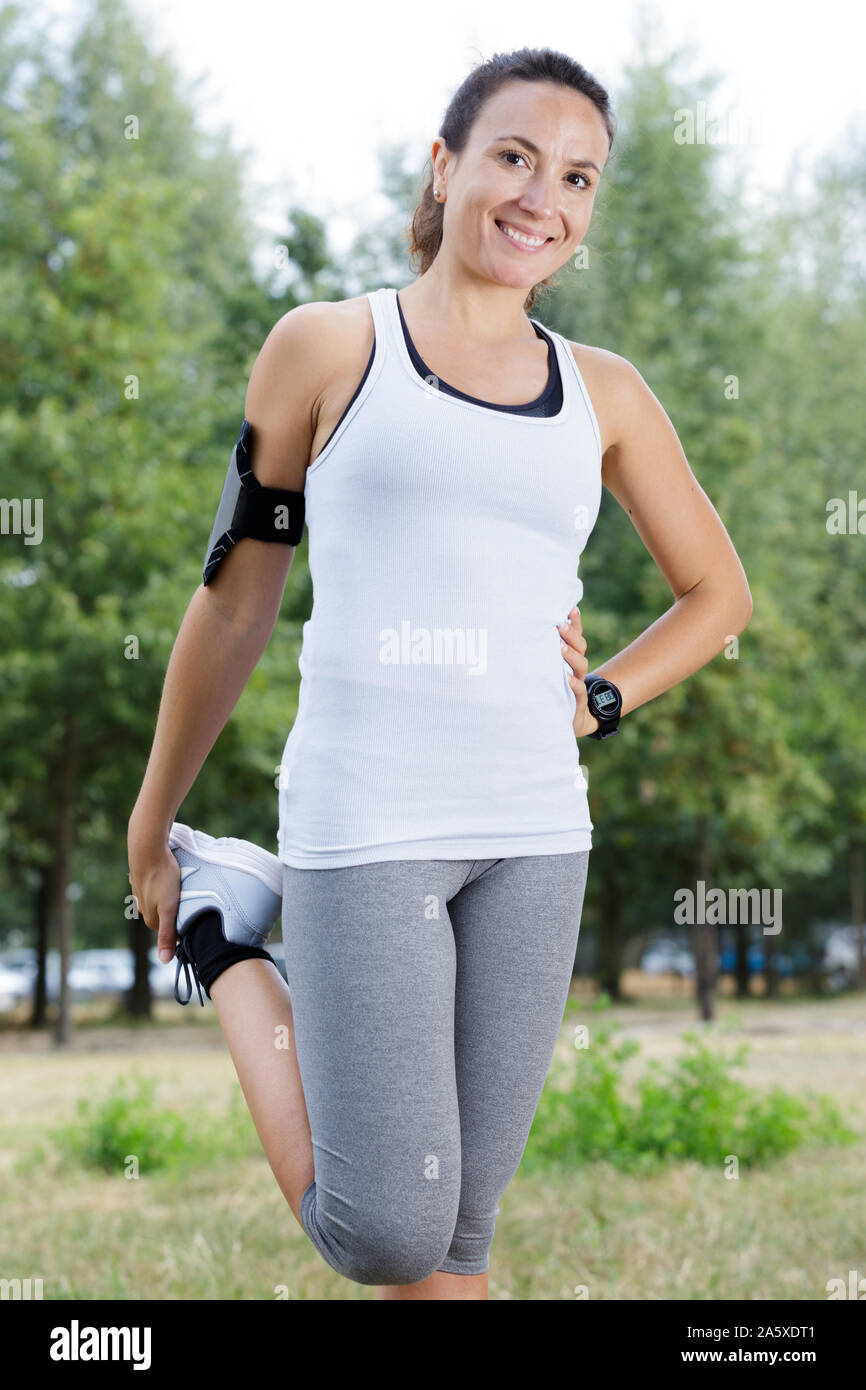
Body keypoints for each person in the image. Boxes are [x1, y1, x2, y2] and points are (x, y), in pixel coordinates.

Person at [127, 46, 752, 1301]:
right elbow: (235, 602)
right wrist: (153, 817)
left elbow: (718, 596)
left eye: (576, 177)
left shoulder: (605, 395)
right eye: (514, 157)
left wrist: (600, 696)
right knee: (388, 1231)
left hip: (533, 827)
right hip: (370, 822)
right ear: (445, 163)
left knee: (461, 1240)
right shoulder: (324, 346)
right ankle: (228, 937)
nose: (542, 198)